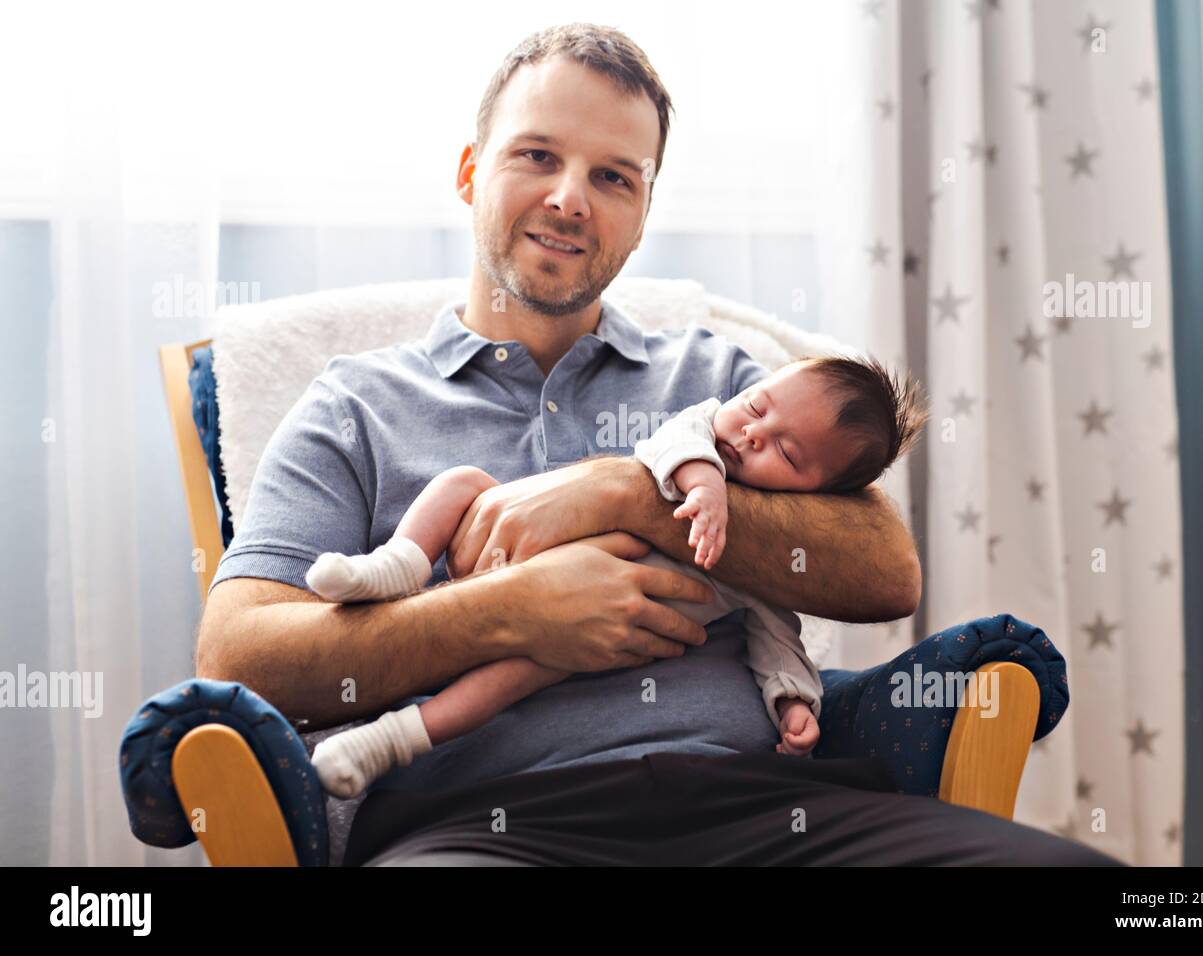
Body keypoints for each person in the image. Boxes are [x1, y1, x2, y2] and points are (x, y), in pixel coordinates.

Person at [197, 22, 1123, 867]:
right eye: (537, 156)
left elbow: (886, 571)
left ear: (641, 213)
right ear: (472, 173)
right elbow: (239, 657)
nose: (569, 199)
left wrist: (627, 495)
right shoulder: (355, 407)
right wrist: (510, 612)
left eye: (613, 177)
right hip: (487, 832)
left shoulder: (726, 382)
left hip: (768, 813)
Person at [305, 354, 927, 798]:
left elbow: (780, 634)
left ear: (816, 495)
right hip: (496, 578)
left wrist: (792, 699)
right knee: (461, 484)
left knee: (508, 680)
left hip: (682, 755)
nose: (750, 434)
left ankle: (391, 741)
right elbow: (674, 441)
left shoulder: (756, 561)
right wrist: (704, 485)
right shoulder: (706, 430)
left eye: (786, 455)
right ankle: (396, 565)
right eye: (757, 407)